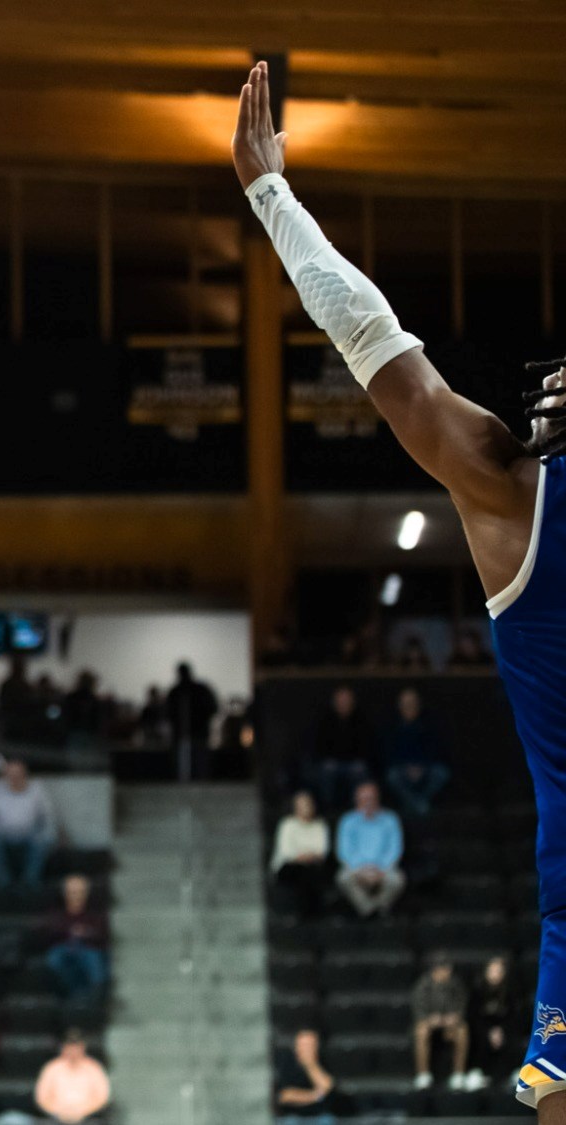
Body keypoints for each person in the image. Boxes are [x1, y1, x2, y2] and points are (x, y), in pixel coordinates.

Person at [235, 66, 566, 1108]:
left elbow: (378, 346)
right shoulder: (518, 490)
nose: (544, 380)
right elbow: (379, 345)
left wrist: (271, 198)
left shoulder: (510, 494)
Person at [0, 759, 57, 886]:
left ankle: (30, 883)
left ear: (25, 775)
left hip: (30, 834)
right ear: (5, 776)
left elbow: (48, 818)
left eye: (18, 774)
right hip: (3, 835)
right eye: (11, 775)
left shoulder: (37, 790)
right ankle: (4, 884)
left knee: (41, 840)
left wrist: (48, 836)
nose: (14, 778)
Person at [333, 782, 405, 918]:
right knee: (342, 878)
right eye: (363, 799)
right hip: (356, 868)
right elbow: (344, 851)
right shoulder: (348, 821)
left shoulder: (390, 820)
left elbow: (394, 849)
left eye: (370, 798)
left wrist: (380, 870)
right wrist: (361, 870)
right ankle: (369, 910)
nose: (367, 802)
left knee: (397, 880)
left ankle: (377, 907)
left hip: (383, 868)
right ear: (357, 800)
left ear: (377, 799)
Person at [41, 875, 110, 1009]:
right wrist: (70, 932)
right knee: (53, 960)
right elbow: (47, 933)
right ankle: (71, 996)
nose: (76, 896)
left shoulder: (95, 912)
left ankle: (94, 1001)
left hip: (89, 947)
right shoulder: (56, 912)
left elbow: (102, 935)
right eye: (72, 892)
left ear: (87, 894)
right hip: (63, 947)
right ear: (65, 893)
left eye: (80, 892)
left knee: (93, 960)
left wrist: (85, 933)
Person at [306, 686, 374, 814]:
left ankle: (357, 808)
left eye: (347, 701)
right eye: (341, 701)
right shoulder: (325, 721)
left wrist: (358, 761)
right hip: (332, 764)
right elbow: (318, 748)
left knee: (360, 770)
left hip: (354, 764)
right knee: (326, 770)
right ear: (334, 702)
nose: (344, 704)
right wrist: (328, 760)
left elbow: (368, 748)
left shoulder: (361, 721)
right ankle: (328, 808)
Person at [383, 688, 450, 818]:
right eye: (405, 704)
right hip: (402, 769)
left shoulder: (429, 724)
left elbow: (436, 750)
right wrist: (407, 767)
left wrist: (422, 767)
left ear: (418, 705)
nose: (409, 707)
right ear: (399, 706)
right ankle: (417, 804)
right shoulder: (392, 726)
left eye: (412, 703)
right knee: (391, 775)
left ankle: (415, 803)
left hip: (425, 768)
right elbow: (388, 753)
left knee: (441, 773)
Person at [411, 953, 471, 1091]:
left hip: (449, 1026)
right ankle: (423, 1074)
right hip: (429, 1025)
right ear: (435, 970)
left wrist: (453, 1017)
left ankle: (458, 1073)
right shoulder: (423, 985)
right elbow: (418, 1009)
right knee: (420, 1030)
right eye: (443, 969)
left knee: (462, 1030)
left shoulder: (456, 985)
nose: (447, 972)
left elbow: (462, 1006)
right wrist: (430, 1019)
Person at [271, 792, 331, 920]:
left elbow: (322, 851)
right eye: (302, 805)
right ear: (295, 807)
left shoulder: (319, 825)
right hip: (288, 866)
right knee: (302, 872)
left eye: (308, 804)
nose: (306, 808)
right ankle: (304, 915)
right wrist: (306, 856)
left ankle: (309, 915)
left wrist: (306, 856)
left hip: (312, 866)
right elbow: (287, 852)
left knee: (310, 872)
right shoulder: (287, 824)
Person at [32, 1030, 109, 1125]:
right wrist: (58, 1111)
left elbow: (102, 1097)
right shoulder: (51, 1068)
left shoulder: (94, 1068)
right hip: (57, 1117)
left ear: (82, 1047)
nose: (73, 1051)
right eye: (69, 1047)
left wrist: (82, 1111)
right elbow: (42, 1098)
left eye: (76, 1047)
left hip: (87, 1118)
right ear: (63, 1048)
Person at [467, 955, 520, 1093]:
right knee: (476, 1036)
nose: (495, 975)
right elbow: (474, 1016)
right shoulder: (478, 990)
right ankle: (476, 1071)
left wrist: (500, 1030)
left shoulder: (510, 991)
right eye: (492, 971)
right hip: (483, 1028)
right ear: (486, 972)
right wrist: (489, 1031)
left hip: (504, 1028)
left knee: (513, 1036)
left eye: (498, 971)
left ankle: (514, 1071)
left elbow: (514, 1015)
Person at [165, 663, 219, 781]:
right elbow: (213, 708)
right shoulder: (198, 690)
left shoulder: (176, 692)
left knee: (193, 768)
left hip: (192, 735)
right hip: (192, 735)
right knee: (196, 768)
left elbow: (167, 714)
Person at [275, 1028, 338, 1125]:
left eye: (310, 1045)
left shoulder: (325, 1061)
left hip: (319, 1115)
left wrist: (310, 1065)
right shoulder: (285, 1062)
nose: (306, 1049)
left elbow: (328, 1088)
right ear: (296, 1047)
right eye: (303, 1045)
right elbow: (284, 1096)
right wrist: (315, 1096)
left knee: (327, 1120)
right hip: (292, 1115)